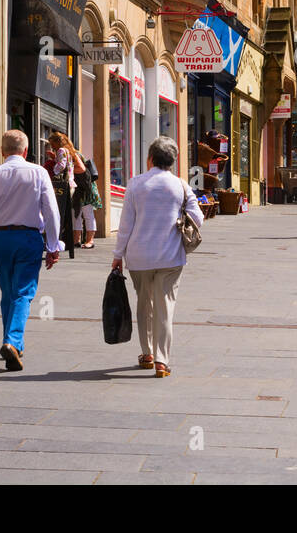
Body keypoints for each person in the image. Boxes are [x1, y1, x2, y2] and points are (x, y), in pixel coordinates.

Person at [111, 136, 202, 378]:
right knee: (165, 307)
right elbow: (198, 218)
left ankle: (147, 353)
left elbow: (126, 224)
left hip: (139, 256)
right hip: (171, 257)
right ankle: (162, 361)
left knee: (144, 303)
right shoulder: (181, 186)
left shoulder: (135, 184)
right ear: (172, 161)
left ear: (150, 158)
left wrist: (118, 254)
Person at [0, 129, 63, 371]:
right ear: (26, 150)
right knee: (23, 291)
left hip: (0, 238)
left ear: (2, 151)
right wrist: (54, 245)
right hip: (28, 237)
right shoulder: (39, 173)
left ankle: (14, 343)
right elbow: (52, 211)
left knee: (8, 292)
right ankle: (12, 341)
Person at [47, 132, 80, 258]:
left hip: (63, 184)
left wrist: (52, 172)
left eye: (52, 144)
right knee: (65, 214)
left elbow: (61, 165)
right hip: (71, 183)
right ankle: (65, 242)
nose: (52, 146)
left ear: (56, 142)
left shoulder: (61, 150)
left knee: (59, 212)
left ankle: (57, 240)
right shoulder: (67, 151)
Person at [72, 144, 98, 248]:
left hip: (85, 188)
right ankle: (77, 239)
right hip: (79, 188)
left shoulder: (75, 155)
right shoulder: (75, 154)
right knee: (76, 214)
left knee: (87, 214)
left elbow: (81, 169)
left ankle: (89, 240)